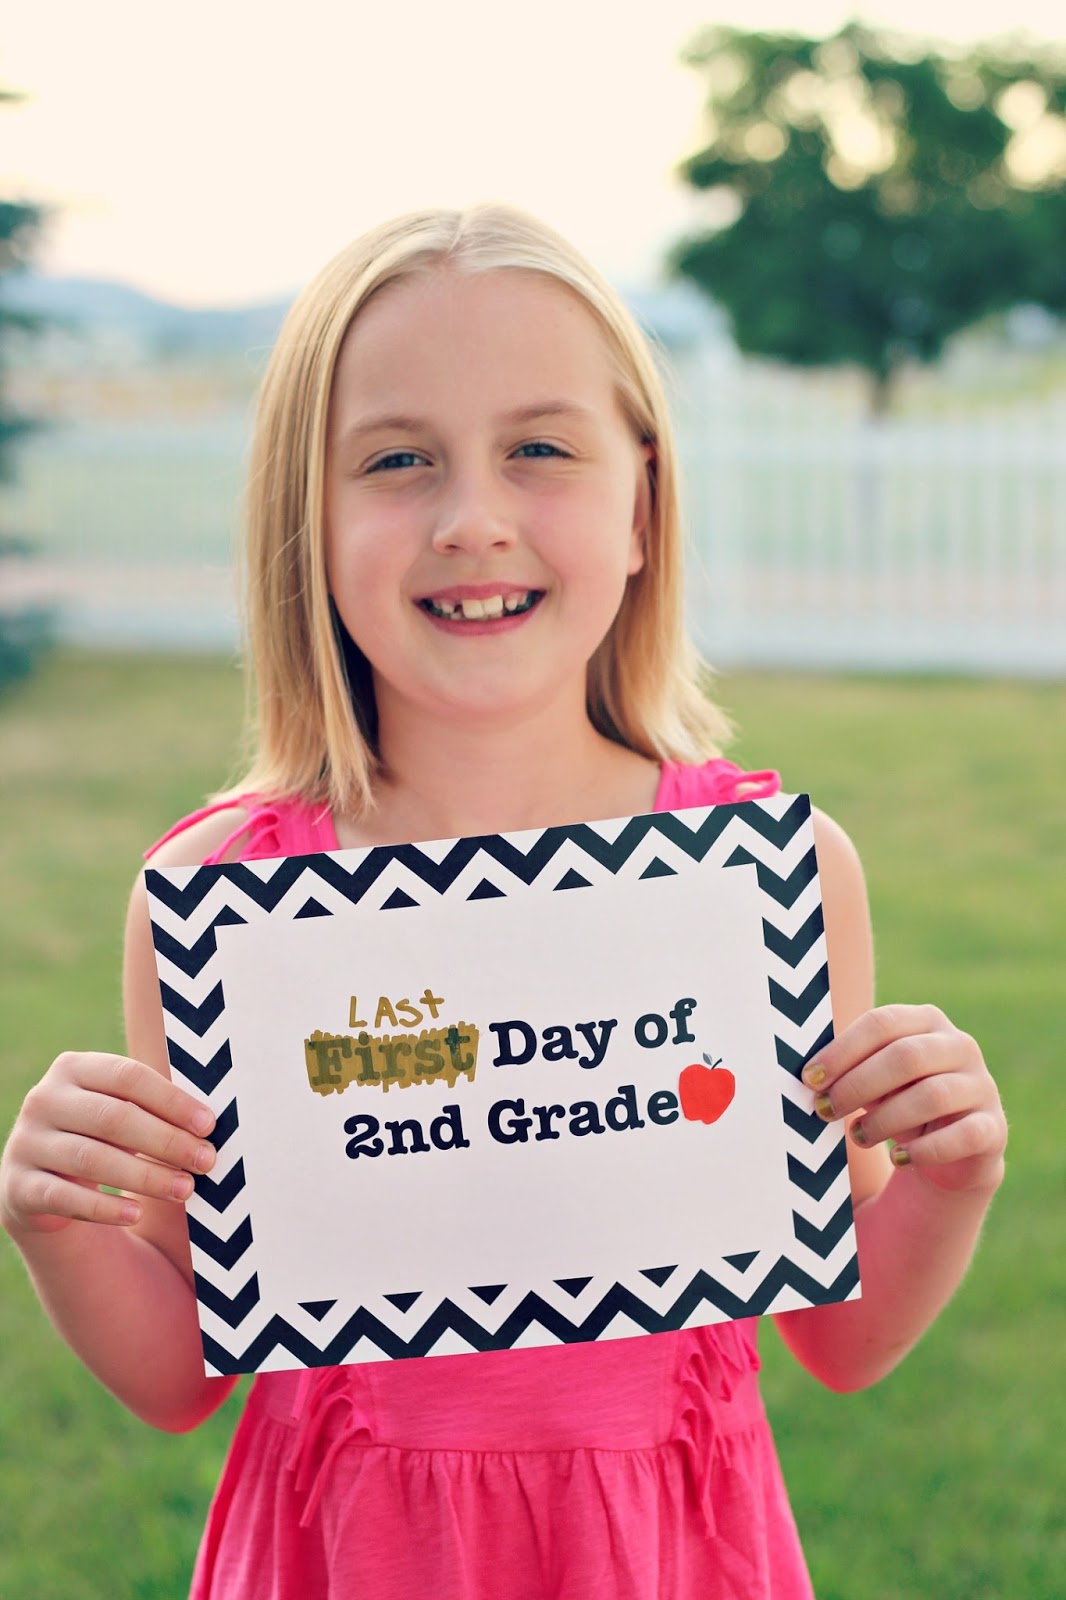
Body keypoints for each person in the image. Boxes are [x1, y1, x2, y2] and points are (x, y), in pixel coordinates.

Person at [0, 204, 1007, 1599]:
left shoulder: (757, 879)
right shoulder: (227, 902)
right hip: (349, 1551)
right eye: (398, 461)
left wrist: (946, 1180)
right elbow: (185, 1373)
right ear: (309, 519)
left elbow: (840, 1341)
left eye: (538, 449)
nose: (472, 519)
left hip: (664, 1550)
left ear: (641, 504)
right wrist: (61, 1227)